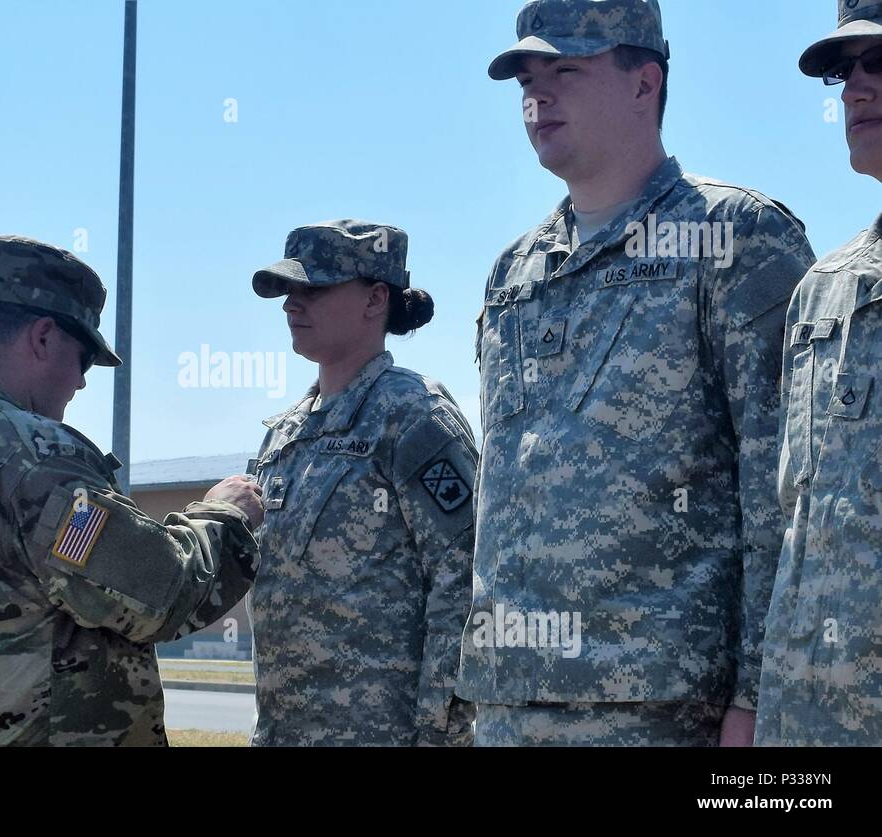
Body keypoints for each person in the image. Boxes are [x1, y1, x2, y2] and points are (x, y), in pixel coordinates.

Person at [461, 0, 817, 746]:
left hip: (658, 711)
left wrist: (757, 697)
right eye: (526, 76)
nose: (537, 94)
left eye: (565, 69)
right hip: (506, 703)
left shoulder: (735, 238)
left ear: (643, 81)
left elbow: (784, 494)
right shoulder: (513, 272)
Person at [0, 235, 263, 746]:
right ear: (41, 337)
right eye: (82, 360)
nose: (80, 383)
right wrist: (224, 516)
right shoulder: (35, 462)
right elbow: (161, 593)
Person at [247, 219, 477, 746]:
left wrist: (439, 732)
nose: (291, 304)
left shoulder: (413, 416)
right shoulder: (286, 433)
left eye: (314, 288)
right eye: (287, 291)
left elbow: (464, 579)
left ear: (376, 299)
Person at [757, 0, 882, 747]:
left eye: (881, 63)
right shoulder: (822, 288)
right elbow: (790, 517)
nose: (856, 89)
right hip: (806, 724)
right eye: (845, 70)